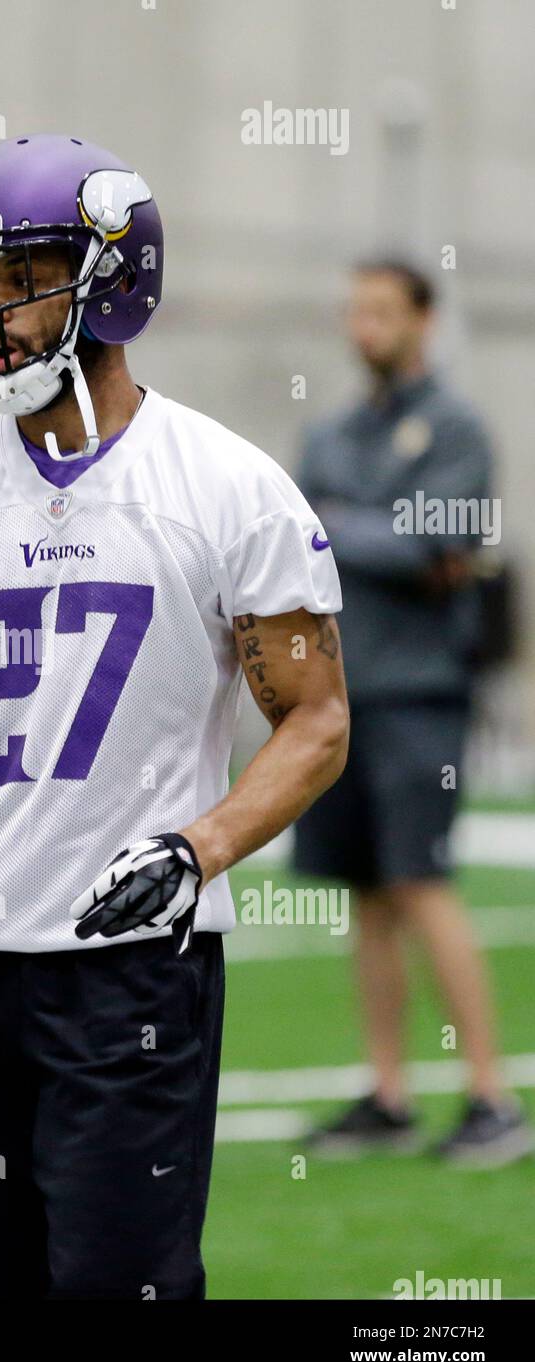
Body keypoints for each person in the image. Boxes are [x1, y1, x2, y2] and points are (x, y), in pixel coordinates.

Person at [0, 134, 348, 1299]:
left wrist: (198, 850)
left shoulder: (224, 487)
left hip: (127, 971)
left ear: (112, 276)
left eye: (20, 278)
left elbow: (314, 721)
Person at [296, 259, 531, 1165]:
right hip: (342, 693)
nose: (364, 326)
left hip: (421, 696)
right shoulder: (335, 429)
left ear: (422, 320)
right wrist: (376, 528)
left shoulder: (457, 425)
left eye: (382, 311)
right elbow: (298, 524)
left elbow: (446, 540)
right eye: (354, 310)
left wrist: (344, 523)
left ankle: (489, 1097)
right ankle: (388, 1094)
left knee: (423, 883)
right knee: (368, 897)